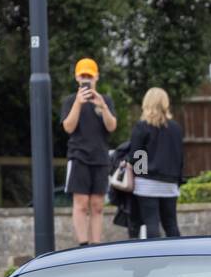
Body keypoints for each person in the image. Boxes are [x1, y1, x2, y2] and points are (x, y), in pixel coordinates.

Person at [60, 57, 117, 246]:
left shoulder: (105, 100)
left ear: (97, 78)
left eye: (90, 76)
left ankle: (96, 244)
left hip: (100, 157)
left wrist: (102, 106)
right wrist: (78, 102)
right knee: (81, 203)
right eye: (83, 76)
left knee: (98, 205)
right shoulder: (70, 101)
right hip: (79, 157)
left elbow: (111, 127)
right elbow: (68, 127)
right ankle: (83, 244)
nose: (87, 80)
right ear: (77, 78)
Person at [125, 87, 184, 239]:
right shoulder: (175, 128)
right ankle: (180, 256)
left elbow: (138, 156)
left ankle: (155, 258)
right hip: (170, 183)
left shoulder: (142, 127)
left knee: (151, 223)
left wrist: (141, 176)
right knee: (171, 224)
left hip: (147, 183)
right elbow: (179, 157)